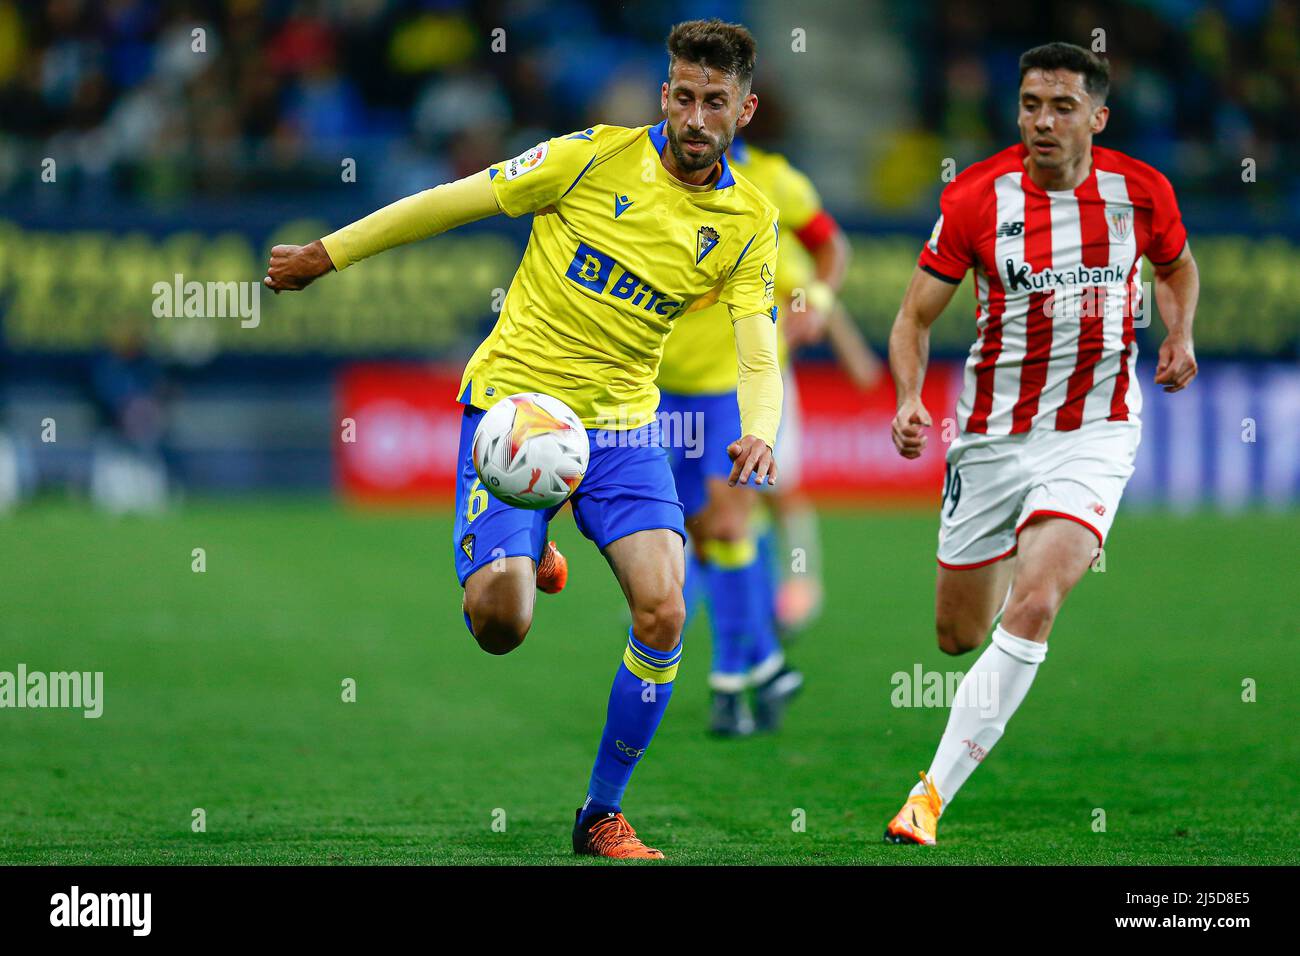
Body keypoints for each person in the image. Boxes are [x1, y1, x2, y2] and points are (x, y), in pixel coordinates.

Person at [264, 19, 782, 860]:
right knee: (501, 624)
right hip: (518, 412)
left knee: (663, 609)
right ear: (665, 94)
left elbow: (758, 338)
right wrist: (331, 254)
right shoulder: (588, 157)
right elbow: (451, 200)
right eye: (682, 96)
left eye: (713, 102)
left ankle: (601, 814)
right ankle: (530, 549)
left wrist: (760, 431)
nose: (695, 116)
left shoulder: (748, 220)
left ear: (744, 110)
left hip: (621, 429)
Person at [882, 42, 1199, 845]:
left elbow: (1178, 266)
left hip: (1095, 431)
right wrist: (912, 397)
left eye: (1062, 107)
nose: (1043, 121)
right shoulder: (976, 198)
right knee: (955, 637)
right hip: (990, 439)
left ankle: (929, 796)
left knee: (1038, 598)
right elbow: (914, 317)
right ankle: (990, 637)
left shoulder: (1141, 191)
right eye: (1030, 105)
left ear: (1099, 116)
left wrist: (1181, 332)